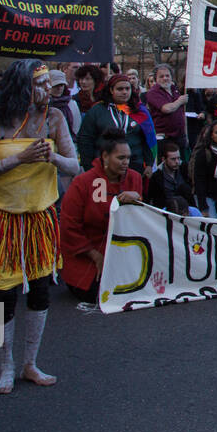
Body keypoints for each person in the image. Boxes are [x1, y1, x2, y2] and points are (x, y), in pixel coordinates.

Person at [0, 60, 80, 394]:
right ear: (20, 87)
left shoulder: (55, 118)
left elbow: (75, 165)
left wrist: (53, 158)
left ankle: (30, 363)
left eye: (48, 84)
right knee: (4, 294)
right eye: (39, 84)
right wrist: (19, 158)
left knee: (41, 289)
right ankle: (6, 367)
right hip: (0, 218)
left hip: (39, 217)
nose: (48, 90)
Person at [60, 128, 143, 302]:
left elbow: (142, 222)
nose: (126, 162)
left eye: (128, 158)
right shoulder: (82, 183)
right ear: (105, 156)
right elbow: (69, 226)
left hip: (123, 253)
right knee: (102, 294)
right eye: (121, 158)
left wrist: (139, 200)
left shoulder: (135, 178)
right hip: (88, 255)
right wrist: (94, 255)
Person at [76, 73, 155, 175]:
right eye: (120, 89)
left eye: (127, 89)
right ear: (111, 90)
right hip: (104, 166)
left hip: (135, 166)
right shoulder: (97, 110)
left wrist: (149, 164)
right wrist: (88, 166)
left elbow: (149, 139)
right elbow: (85, 139)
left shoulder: (140, 111)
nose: (124, 92)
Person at [145, 63, 190, 163]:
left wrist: (185, 135)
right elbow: (166, 109)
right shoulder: (153, 92)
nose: (165, 78)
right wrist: (180, 101)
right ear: (156, 78)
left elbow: (182, 114)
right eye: (161, 76)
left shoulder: (175, 90)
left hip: (179, 138)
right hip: (165, 139)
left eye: (167, 75)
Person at [145, 141, 195, 214]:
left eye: (178, 158)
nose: (177, 162)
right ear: (164, 159)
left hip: (186, 210)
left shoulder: (184, 169)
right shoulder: (156, 177)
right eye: (173, 159)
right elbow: (151, 198)